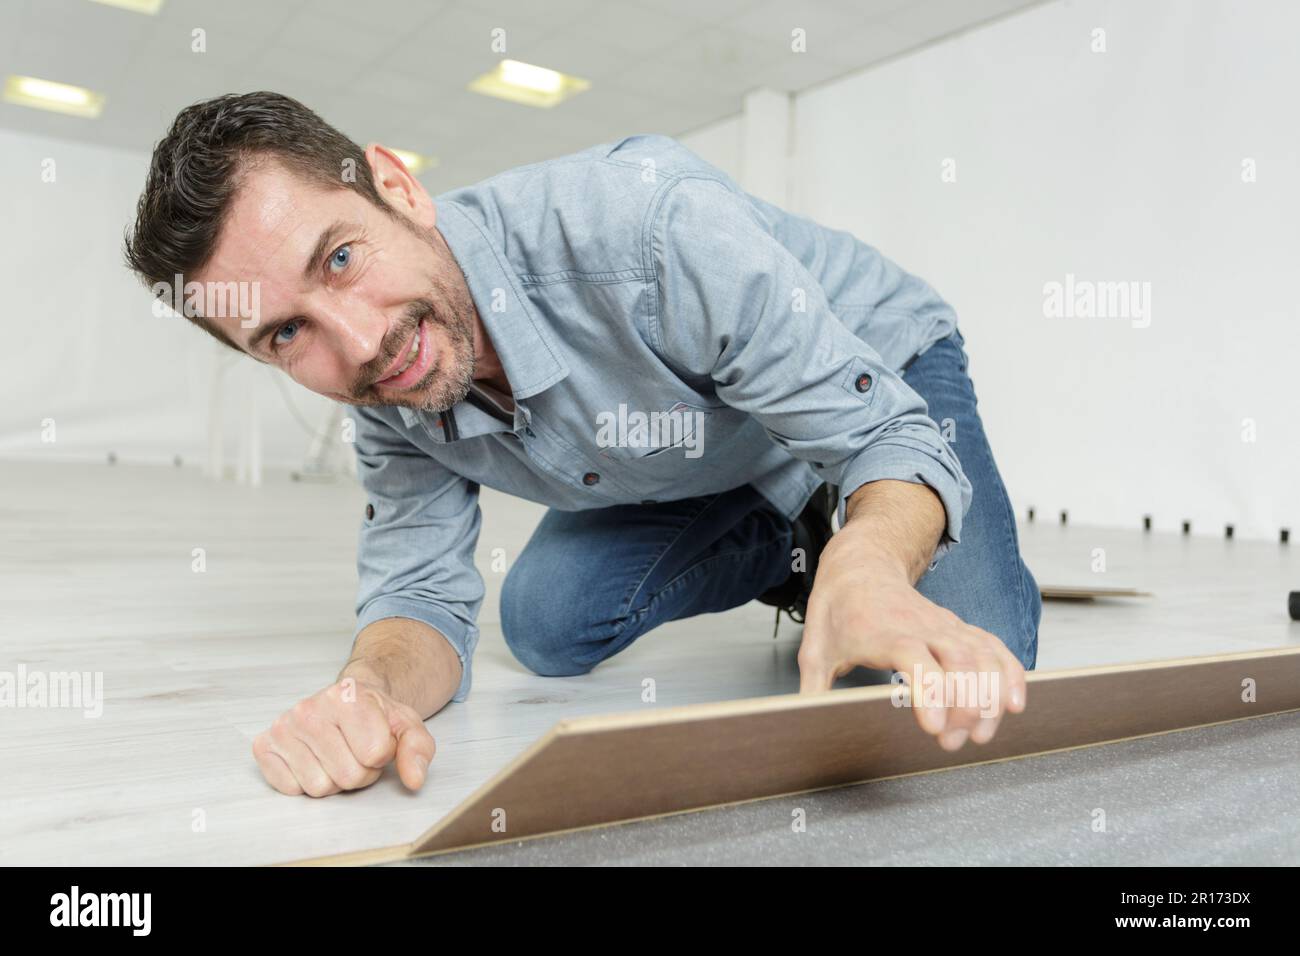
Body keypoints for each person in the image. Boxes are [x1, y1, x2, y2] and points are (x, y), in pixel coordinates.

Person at [124, 92, 1039, 798]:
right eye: (286, 334)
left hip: (881, 366)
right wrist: (372, 692)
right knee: (548, 622)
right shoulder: (382, 392)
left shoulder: (644, 226)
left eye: (338, 259)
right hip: (728, 441)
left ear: (398, 187)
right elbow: (416, 596)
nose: (360, 344)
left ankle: (841, 541)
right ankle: (803, 543)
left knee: (946, 696)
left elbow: (881, 432)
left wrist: (873, 561)